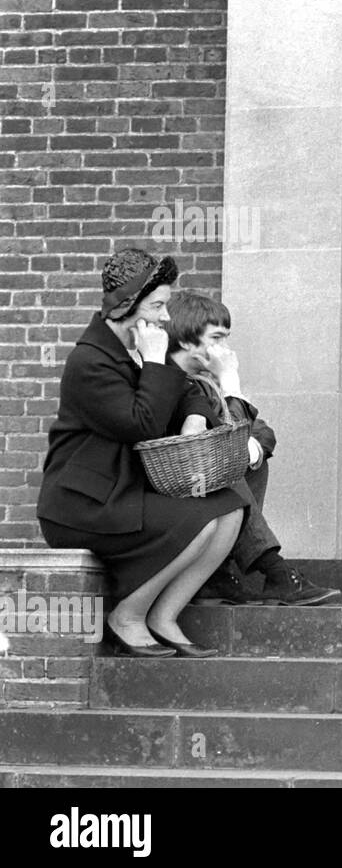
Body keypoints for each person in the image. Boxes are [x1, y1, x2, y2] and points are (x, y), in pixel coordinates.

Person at [37, 248, 248, 658]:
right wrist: (153, 362)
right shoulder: (90, 362)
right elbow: (141, 424)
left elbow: (185, 392)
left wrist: (195, 419)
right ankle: (127, 615)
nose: (165, 317)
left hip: (123, 491)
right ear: (129, 306)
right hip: (82, 503)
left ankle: (164, 616)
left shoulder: (134, 351)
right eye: (157, 306)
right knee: (200, 520)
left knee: (230, 508)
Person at [164, 291, 340, 606]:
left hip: (202, 497)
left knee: (251, 459)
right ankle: (276, 571)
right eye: (217, 338)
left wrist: (252, 450)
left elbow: (261, 429)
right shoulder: (170, 383)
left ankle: (219, 574)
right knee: (228, 461)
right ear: (188, 340)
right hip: (169, 499)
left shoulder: (204, 384)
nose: (226, 351)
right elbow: (222, 443)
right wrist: (230, 380)